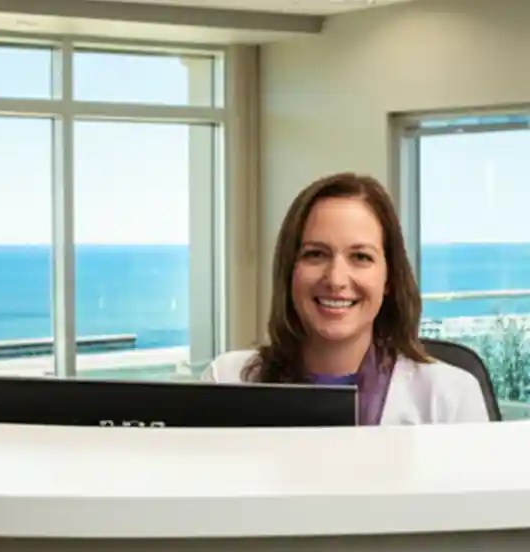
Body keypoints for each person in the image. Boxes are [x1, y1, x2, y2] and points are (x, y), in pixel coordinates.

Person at [203, 172, 490, 425]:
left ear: (389, 278)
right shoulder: (225, 381)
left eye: (360, 257)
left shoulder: (450, 396)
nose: (336, 279)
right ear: (289, 270)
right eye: (315, 254)